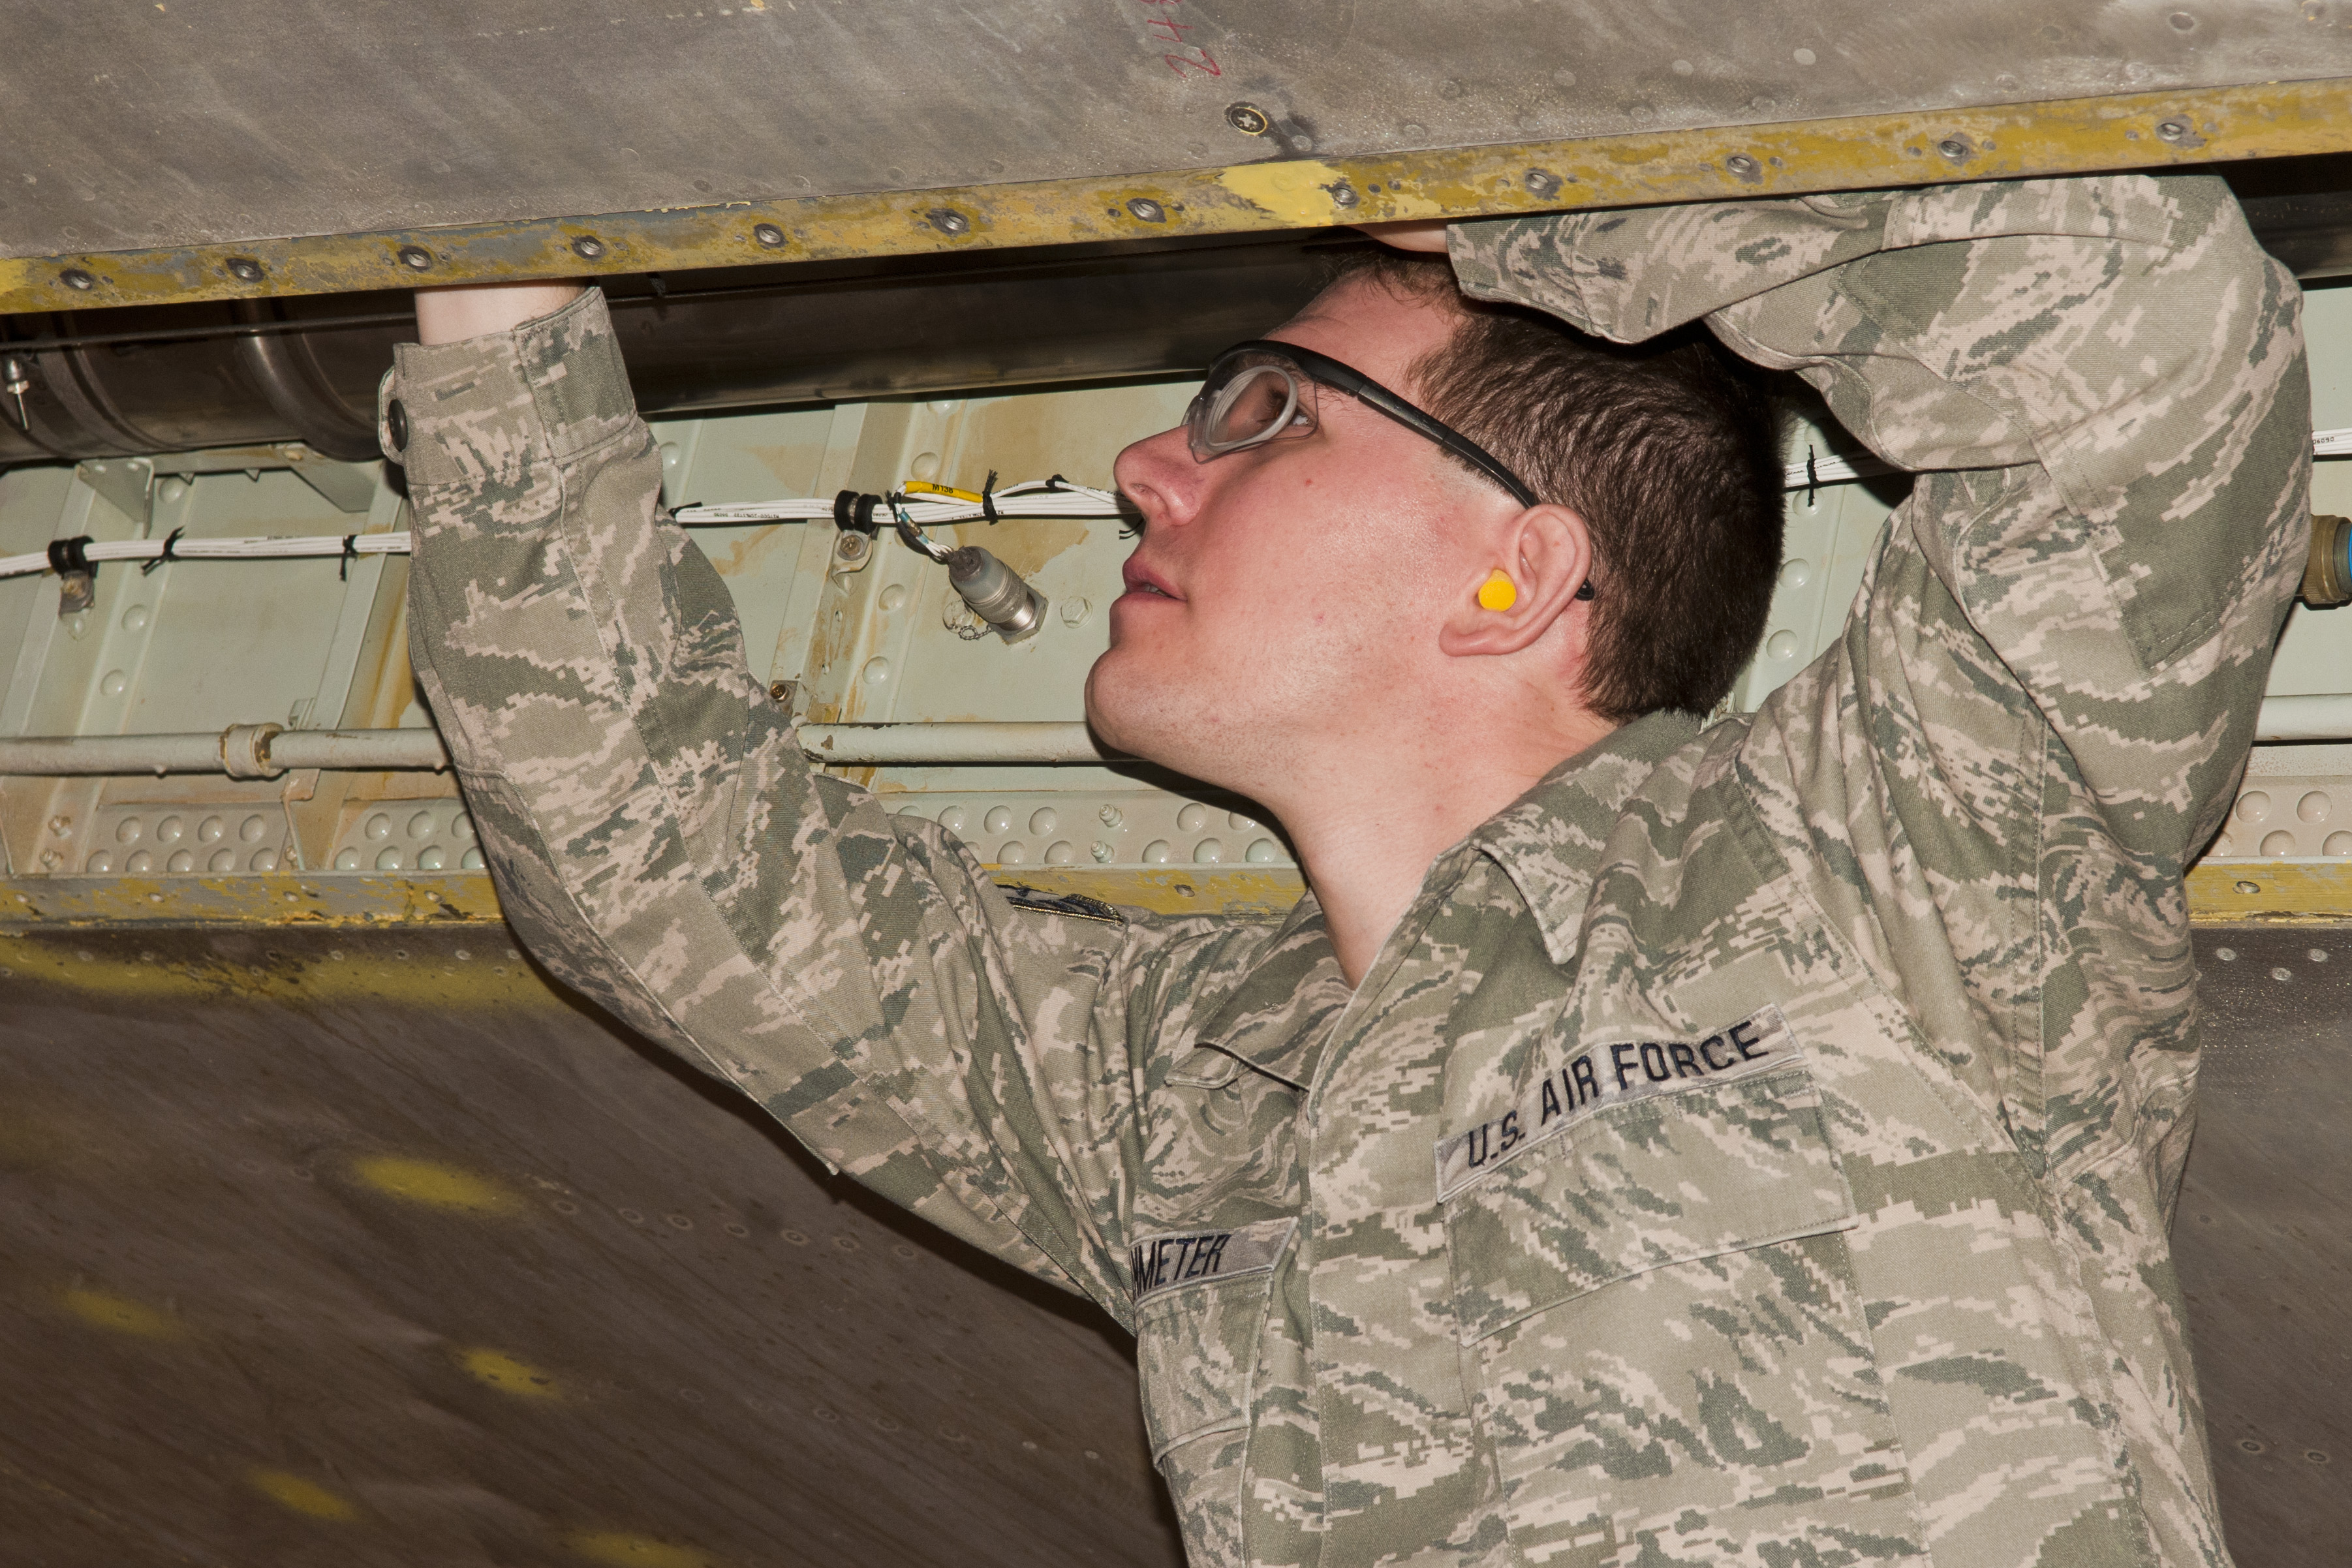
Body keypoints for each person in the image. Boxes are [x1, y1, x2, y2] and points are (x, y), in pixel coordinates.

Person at [384, 172, 2307, 1568]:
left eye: (1266, 410)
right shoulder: (1183, 1090)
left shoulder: (1880, 856)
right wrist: (481, 240)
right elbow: (653, 842)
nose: (1150, 462)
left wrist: (1469, 175)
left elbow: (2135, 343)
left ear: (1522, 574)